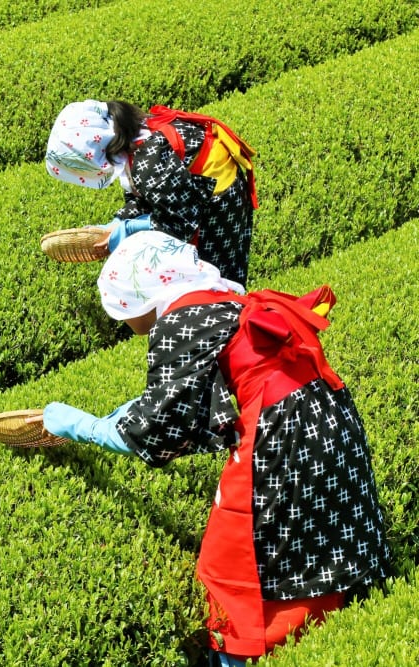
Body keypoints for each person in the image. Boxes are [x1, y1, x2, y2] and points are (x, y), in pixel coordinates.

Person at [30, 231, 391, 665]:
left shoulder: (177, 322)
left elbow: (157, 431)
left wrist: (83, 427)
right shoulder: (221, 301)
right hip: (328, 414)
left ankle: (243, 654)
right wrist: (133, 410)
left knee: (236, 558)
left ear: (142, 299)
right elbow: (195, 398)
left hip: (281, 435)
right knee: (320, 532)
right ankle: (331, 628)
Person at [44, 100, 257, 286]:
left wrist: (127, 230)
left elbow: (180, 224)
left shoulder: (147, 158)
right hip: (194, 194)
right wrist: (118, 221)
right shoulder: (131, 140)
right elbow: (146, 196)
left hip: (219, 200)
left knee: (216, 278)